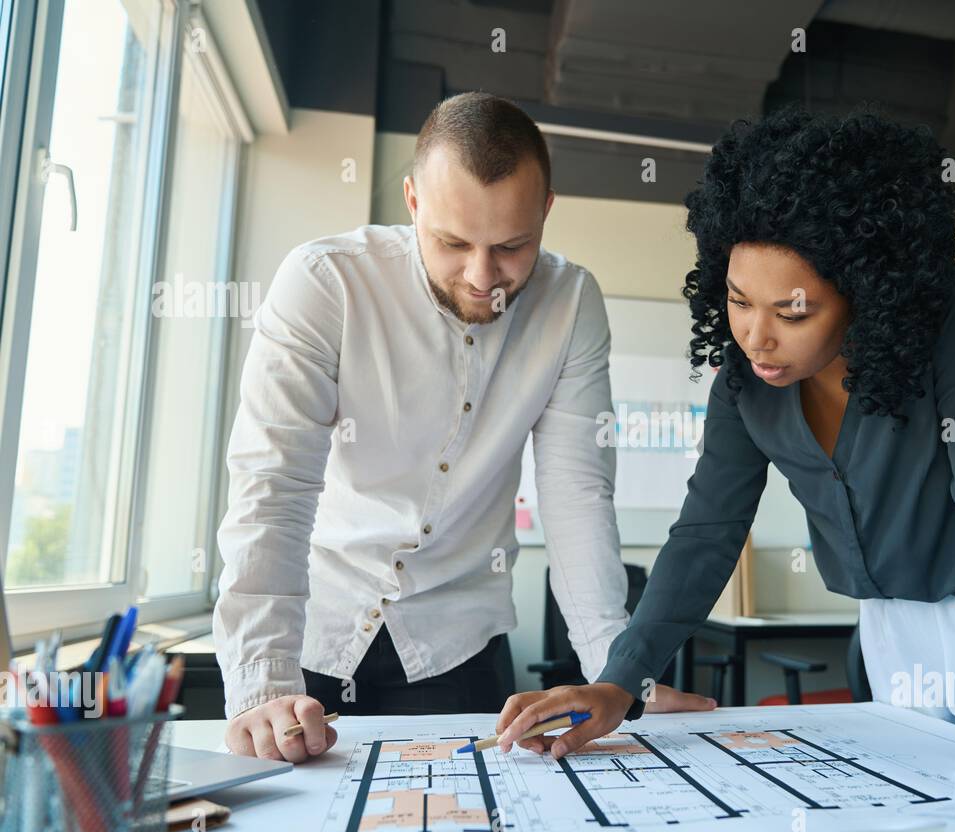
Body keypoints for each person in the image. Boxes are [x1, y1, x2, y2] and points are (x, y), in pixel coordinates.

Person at [495, 106, 955, 782]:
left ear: (867, 294)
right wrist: (620, 684)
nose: (756, 336)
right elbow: (707, 532)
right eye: (737, 300)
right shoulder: (747, 379)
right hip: (893, 631)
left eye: (793, 312)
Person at [214, 92, 713, 762]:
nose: (484, 278)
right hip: (308, 634)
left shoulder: (571, 305)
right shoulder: (325, 282)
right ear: (413, 202)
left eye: (512, 245)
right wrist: (259, 682)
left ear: (546, 211)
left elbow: (576, 497)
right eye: (453, 243)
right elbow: (272, 485)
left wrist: (619, 676)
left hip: (459, 649)